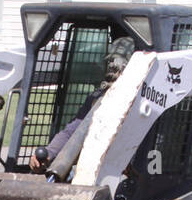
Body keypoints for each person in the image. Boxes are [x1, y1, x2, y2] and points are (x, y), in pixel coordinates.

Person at [30, 36, 136, 172]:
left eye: (118, 64)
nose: (112, 67)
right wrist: (49, 153)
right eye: (111, 62)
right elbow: (72, 131)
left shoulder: (144, 101)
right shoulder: (96, 97)